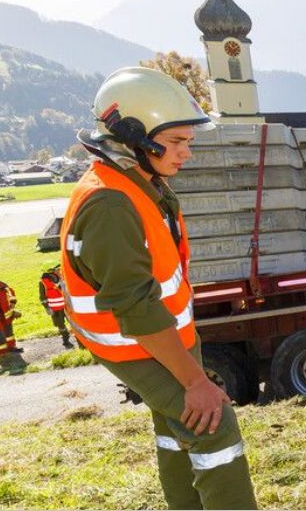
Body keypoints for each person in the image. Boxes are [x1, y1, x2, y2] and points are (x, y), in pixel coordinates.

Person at [60, 67, 256, 509]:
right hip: (138, 343)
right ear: (133, 137)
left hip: (164, 336)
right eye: (176, 143)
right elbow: (135, 305)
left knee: (177, 430)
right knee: (212, 423)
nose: (187, 153)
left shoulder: (141, 183)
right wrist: (194, 379)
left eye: (189, 141)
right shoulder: (111, 203)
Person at [38, 264, 72, 348]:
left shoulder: (62, 278)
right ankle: (66, 339)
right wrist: (46, 307)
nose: (59, 270)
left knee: (74, 322)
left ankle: (80, 339)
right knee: (60, 325)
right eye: (57, 269)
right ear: (50, 270)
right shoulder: (42, 282)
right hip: (55, 308)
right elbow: (42, 296)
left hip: (67, 305)